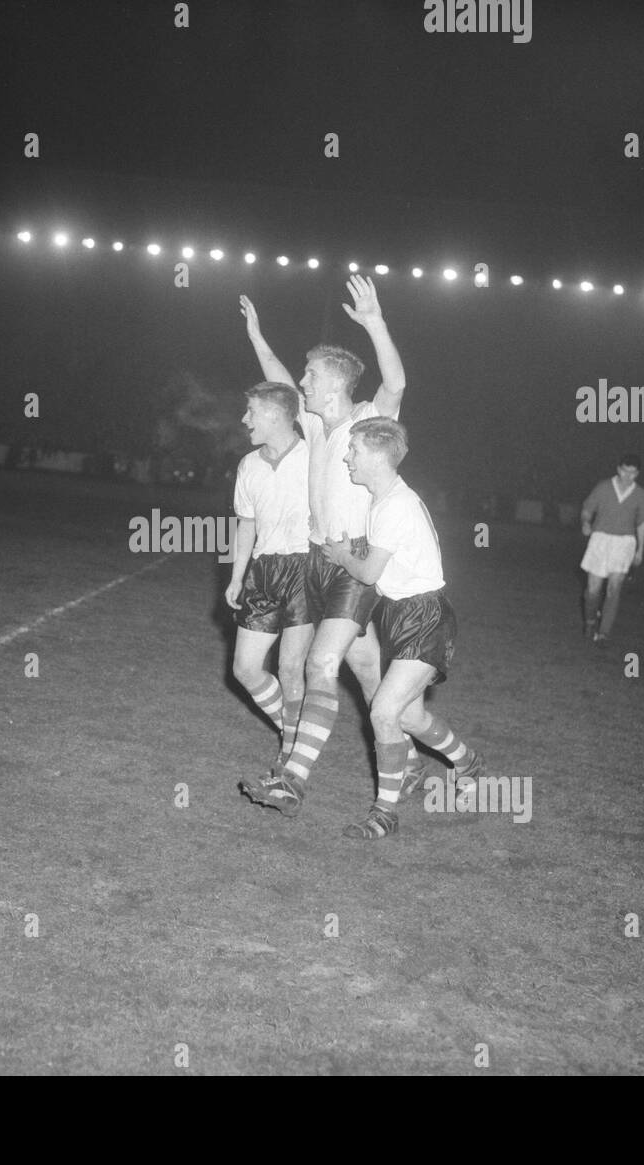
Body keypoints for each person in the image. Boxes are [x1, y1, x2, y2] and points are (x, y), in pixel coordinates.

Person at [238, 276, 420, 817]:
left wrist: (374, 323)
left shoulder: (367, 419)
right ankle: (406, 761)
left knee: (322, 666)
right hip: (317, 561)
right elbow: (277, 381)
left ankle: (292, 779)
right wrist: (256, 335)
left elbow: (396, 382)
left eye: (311, 376)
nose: (302, 383)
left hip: (352, 561)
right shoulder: (314, 423)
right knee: (365, 669)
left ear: (335, 384)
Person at [324, 417, 487, 840]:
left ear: (378, 456)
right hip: (402, 616)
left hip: (425, 618)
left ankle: (384, 812)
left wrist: (341, 555)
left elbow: (367, 573)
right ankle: (468, 763)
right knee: (410, 716)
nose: (347, 457)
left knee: (382, 710)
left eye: (354, 450)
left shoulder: (396, 505)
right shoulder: (384, 498)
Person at [225, 383, 314, 776]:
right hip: (263, 571)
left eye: (252, 412)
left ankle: (292, 755)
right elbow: (246, 523)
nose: (245, 420)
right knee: (244, 668)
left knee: (291, 668)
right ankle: (296, 736)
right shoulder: (249, 465)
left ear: (276, 415)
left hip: (305, 569)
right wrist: (236, 576)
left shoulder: (315, 457)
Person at [579, 455, 644, 645]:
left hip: (624, 543)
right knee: (593, 590)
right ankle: (590, 621)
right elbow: (587, 509)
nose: (628, 476)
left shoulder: (640, 494)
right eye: (625, 471)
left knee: (614, 587)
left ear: (637, 473)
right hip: (600, 539)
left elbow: (642, 523)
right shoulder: (603, 487)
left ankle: (604, 633)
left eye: (633, 473)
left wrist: (640, 550)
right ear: (619, 469)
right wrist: (586, 522)